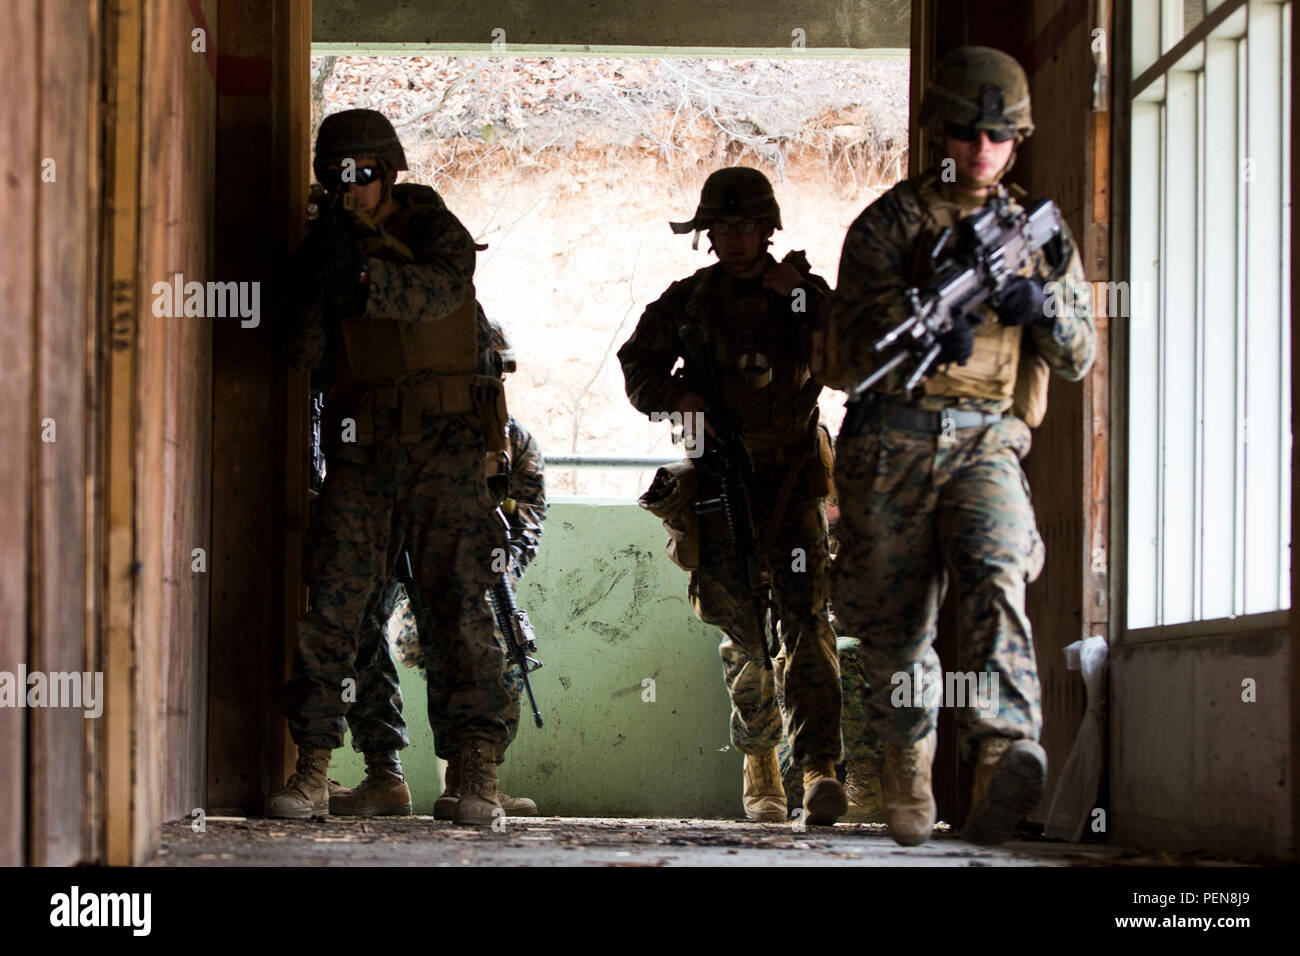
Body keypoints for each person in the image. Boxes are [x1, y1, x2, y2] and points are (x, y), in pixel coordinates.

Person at [824, 47, 1095, 846]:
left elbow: (1078, 356)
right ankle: (910, 769)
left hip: (986, 444)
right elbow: (845, 357)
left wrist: (1037, 301)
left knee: (995, 575)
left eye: (1001, 136)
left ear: (1018, 141)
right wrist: (911, 333)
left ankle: (1000, 757)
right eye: (968, 133)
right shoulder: (889, 223)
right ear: (939, 131)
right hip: (893, 444)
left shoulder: (1036, 233)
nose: (983, 150)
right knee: (898, 625)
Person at [271, 108, 515, 826]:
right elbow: (303, 356)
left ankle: (476, 772)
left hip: (446, 447)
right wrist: (321, 278)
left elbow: (444, 288)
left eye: (365, 174)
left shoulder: (432, 226)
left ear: (390, 170)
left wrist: (367, 274)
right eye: (338, 177)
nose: (353, 189)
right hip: (363, 448)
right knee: (335, 610)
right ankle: (313, 765)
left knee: (458, 608)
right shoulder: (326, 249)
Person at [618, 167, 846, 825]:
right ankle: (761, 763)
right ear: (708, 234)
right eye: (722, 227)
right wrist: (678, 399)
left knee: (806, 623)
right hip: (720, 486)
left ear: (768, 228)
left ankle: (821, 770)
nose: (735, 238)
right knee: (744, 630)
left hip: (794, 486)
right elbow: (637, 369)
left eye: (747, 225)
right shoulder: (688, 303)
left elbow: (848, 360)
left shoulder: (803, 296)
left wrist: (802, 295)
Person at [334, 328, 547, 819]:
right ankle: (383, 773)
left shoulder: (512, 440)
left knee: (489, 634)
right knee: (358, 630)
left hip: (460, 567)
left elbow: (525, 520)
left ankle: (473, 772)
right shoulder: (407, 419)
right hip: (395, 553)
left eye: (494, 370)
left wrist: (493, 572)